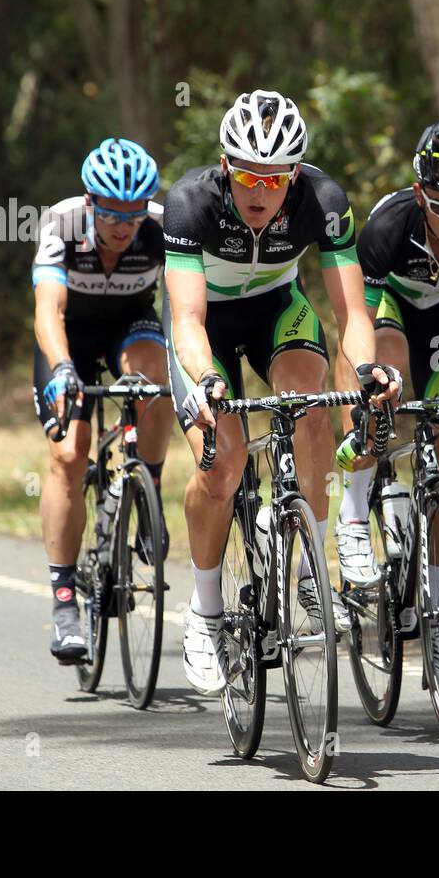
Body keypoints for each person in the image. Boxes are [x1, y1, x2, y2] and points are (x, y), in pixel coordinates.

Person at [162, 89, 400, 696]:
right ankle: (205, 609)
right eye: (247, 175)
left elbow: (351, 314)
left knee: (312, 408)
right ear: (225, 166)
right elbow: (187, 320)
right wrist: (207, 379)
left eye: (275, 177)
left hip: (276, 311)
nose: (260, 191)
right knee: (225, 465)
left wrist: (368, 369)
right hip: (205, 328)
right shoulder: (189, 204)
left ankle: (310, 569)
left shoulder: (323, 201)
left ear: (295, 172)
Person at [333, 120, 439, 686]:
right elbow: (359, 316)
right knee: (386, 369)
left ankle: (437, 621)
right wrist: (374, 386)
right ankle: (355, 514)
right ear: (418, 195)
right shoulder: (388, 225)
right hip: (394, 311)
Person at [32, 138, 173, 662]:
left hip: (129, 326)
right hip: (69, 336)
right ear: (92, 203)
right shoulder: (62, 224)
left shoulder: (161, 227)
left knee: (156, 381)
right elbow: (48, 310)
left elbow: (185, 301)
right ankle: (65, 598)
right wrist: (64, 369)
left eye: (133, 215)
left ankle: (149, 483)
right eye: (113, 214)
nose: (123, 226)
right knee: (69, 453)